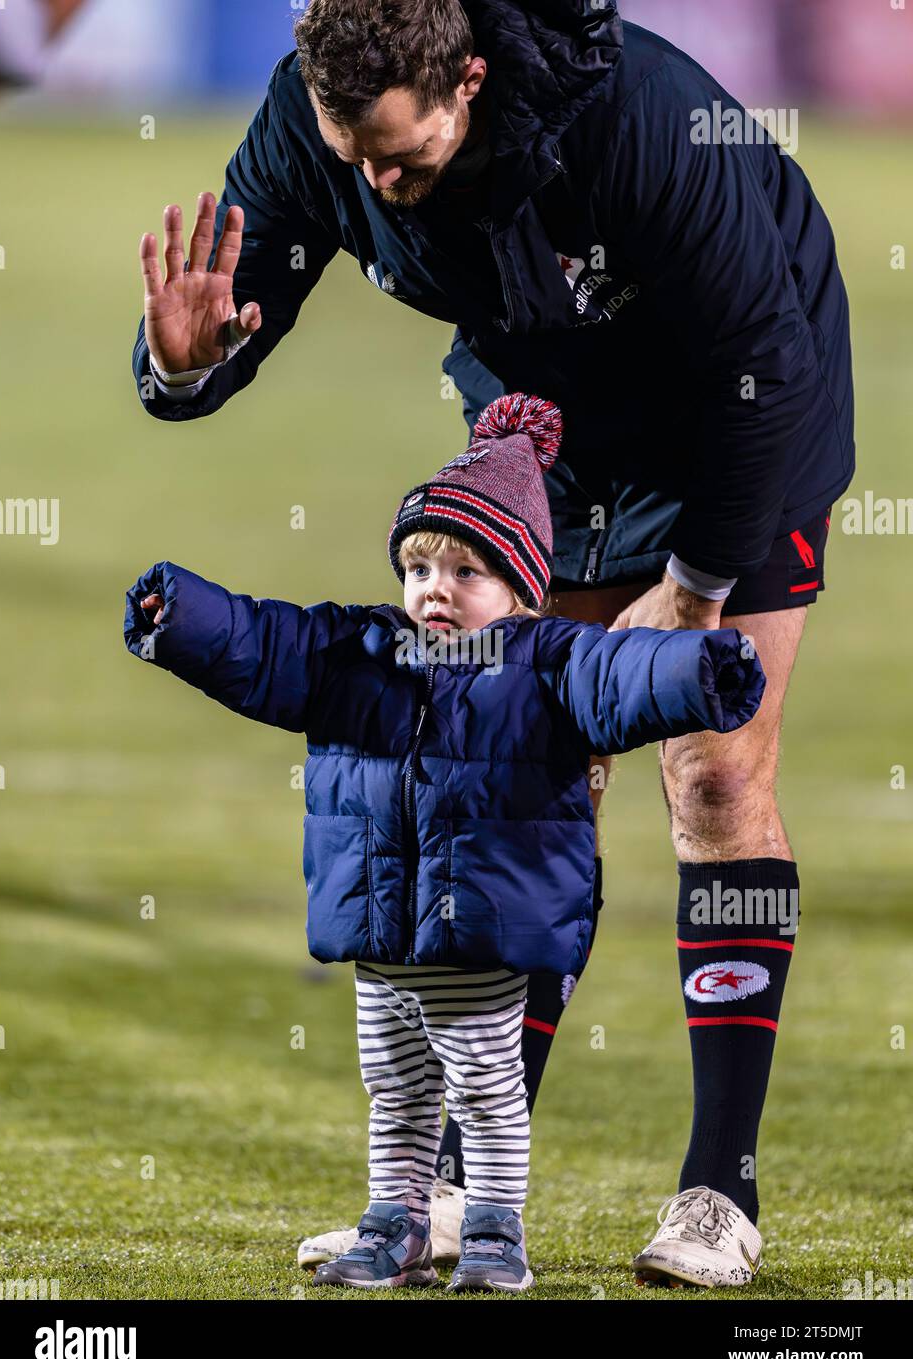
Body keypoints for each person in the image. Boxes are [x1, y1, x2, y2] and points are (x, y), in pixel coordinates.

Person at [132, 0, 854, 1285]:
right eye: (354, 158)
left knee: (714, 771)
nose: (377, 188)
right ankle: (473, 1179)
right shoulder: (328, 126)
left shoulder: (635, 119)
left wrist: (692, 590)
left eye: (403, 160)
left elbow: (767, 364)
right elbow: (239, 308)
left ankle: (716, 1191)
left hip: (743, 405)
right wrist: (184, 367)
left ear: (468, 84)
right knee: (512, 761)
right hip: (546, 425)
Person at [123, 393, 766, 1292]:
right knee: (393, 1091)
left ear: (519, 590)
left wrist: (702, 668)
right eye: (421, 565)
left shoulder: (547, 662)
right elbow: (263, 643)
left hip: (479, 940)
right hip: (383, 943)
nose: (436, 588)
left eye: (467, 571)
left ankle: (497, 1229)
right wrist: (179, 615)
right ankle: (398, 1222)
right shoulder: (359, 654)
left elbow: (627, 672)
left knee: (486, 1089)